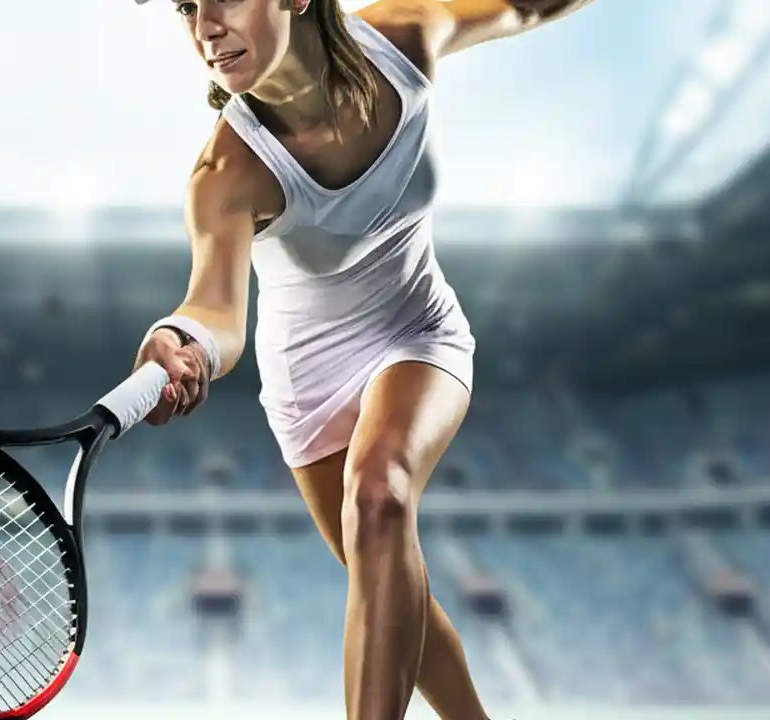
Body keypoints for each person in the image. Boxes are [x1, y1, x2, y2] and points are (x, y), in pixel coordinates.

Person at [130, 1, 595, 718]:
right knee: (393, 585)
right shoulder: (227, 171)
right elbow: (217, 311)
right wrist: (183, 339)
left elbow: (528, 4)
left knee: (379, 495)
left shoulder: (406, 36)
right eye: (187, 6)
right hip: (307, 382)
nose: (204, 26)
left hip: (419, 331)